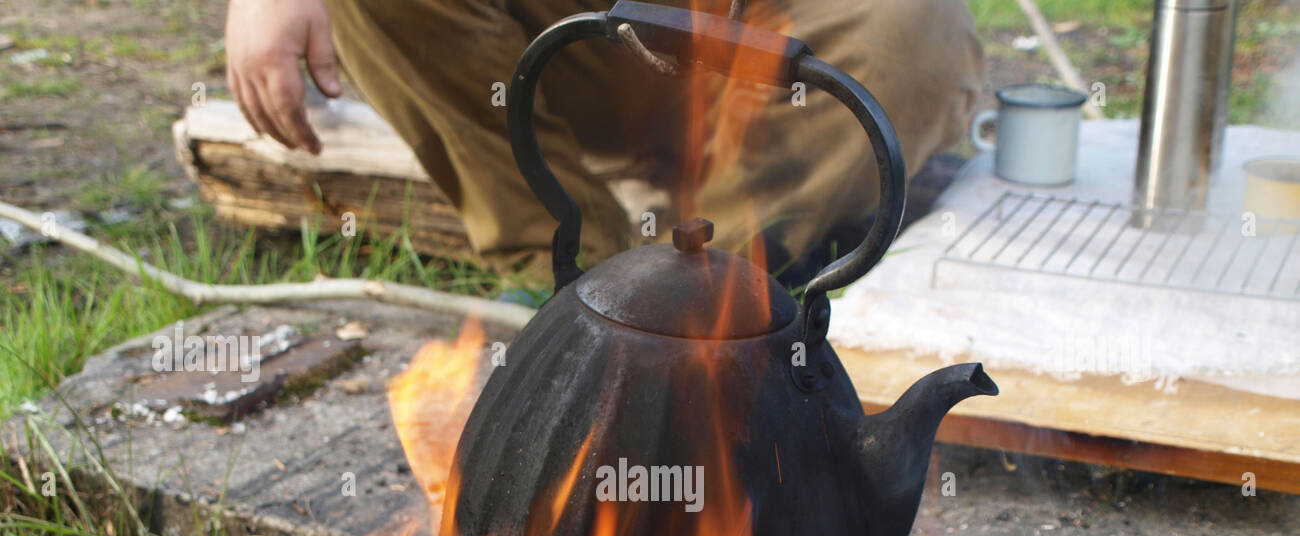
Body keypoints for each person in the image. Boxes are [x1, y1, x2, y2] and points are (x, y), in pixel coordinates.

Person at [225, 0, 983, 276]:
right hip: (587, 43)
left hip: (775, 36)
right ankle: (568, 289)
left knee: (912, 28)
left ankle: (719, 302)